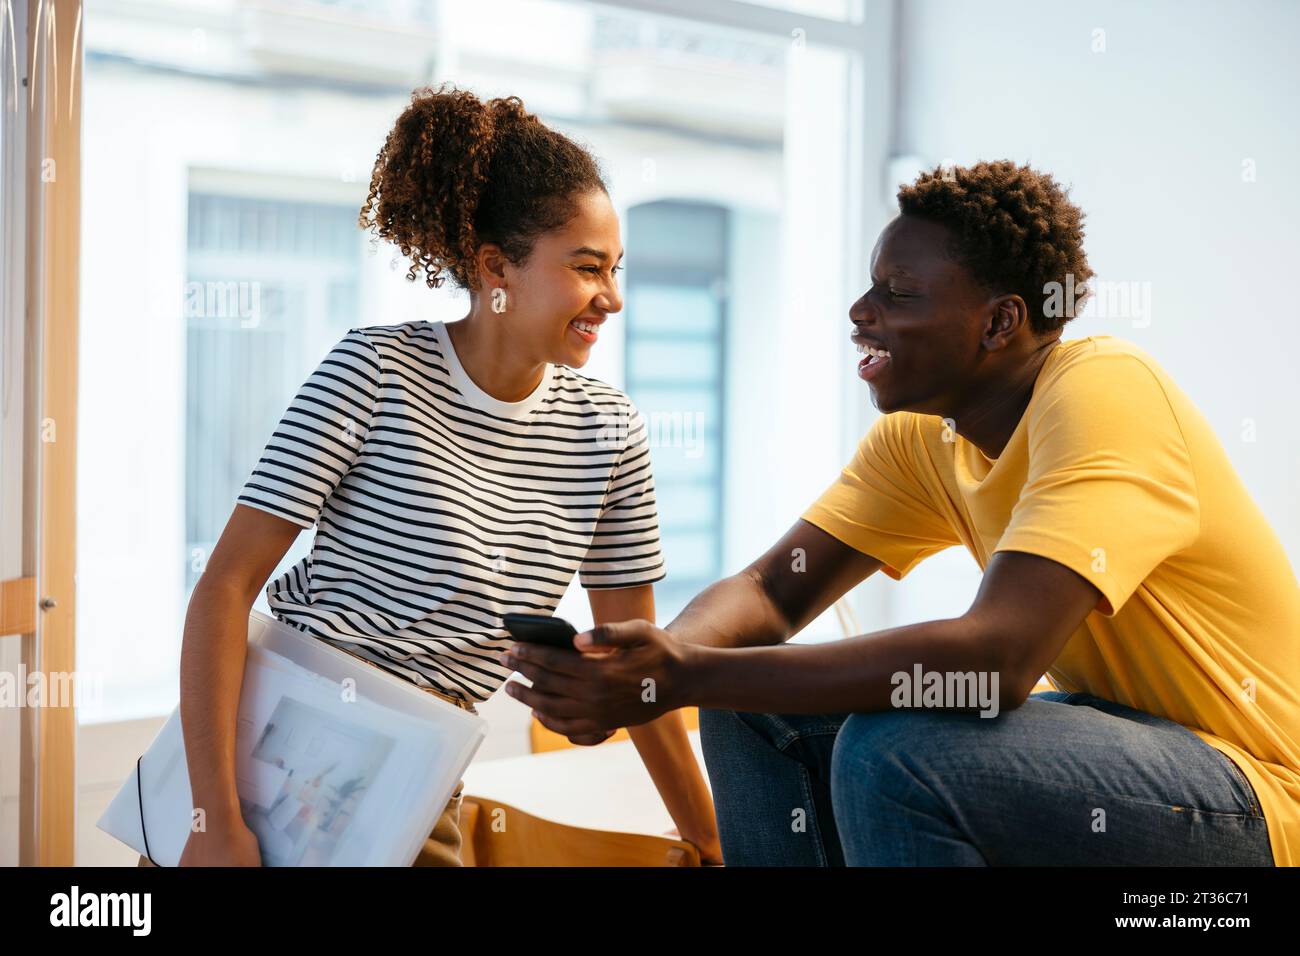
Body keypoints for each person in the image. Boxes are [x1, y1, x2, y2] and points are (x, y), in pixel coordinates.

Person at [504, 160, 1300, 866]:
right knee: (749, 708)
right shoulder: (924, 438)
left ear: (999, 322)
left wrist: (686, 673)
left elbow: (998, 660)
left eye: (898, 293)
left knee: (901, 748)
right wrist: (648, 665)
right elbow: (772, 593)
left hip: (1255, 792)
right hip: (1125, 746)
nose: (859, 309)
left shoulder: (1105, 392)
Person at [166, 85, 721, 867]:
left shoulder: (611, 431)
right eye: (588, 268)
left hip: (417, 776)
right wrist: (210, 819)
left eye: (616, 269)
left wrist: (709, 836)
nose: (613, 297)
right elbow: (223, 586)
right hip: (264, 747)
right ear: (497, 268)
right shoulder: (375, 372)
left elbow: (637, 660)